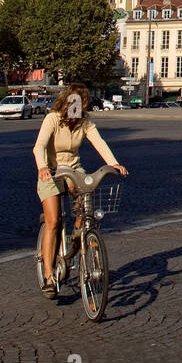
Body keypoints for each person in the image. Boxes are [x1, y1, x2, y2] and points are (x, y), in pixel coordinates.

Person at [33, 83, 128, 297]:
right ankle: (49, 275)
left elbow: (99, 142)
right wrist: (42, 167)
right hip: (51, 169)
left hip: (73, 168)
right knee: (54, 222)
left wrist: (113, 163)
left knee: (85, 210)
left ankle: (78, 240)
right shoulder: (53, 119)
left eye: (82, 104)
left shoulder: (84, 122)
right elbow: (39, 146)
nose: (78, 108)